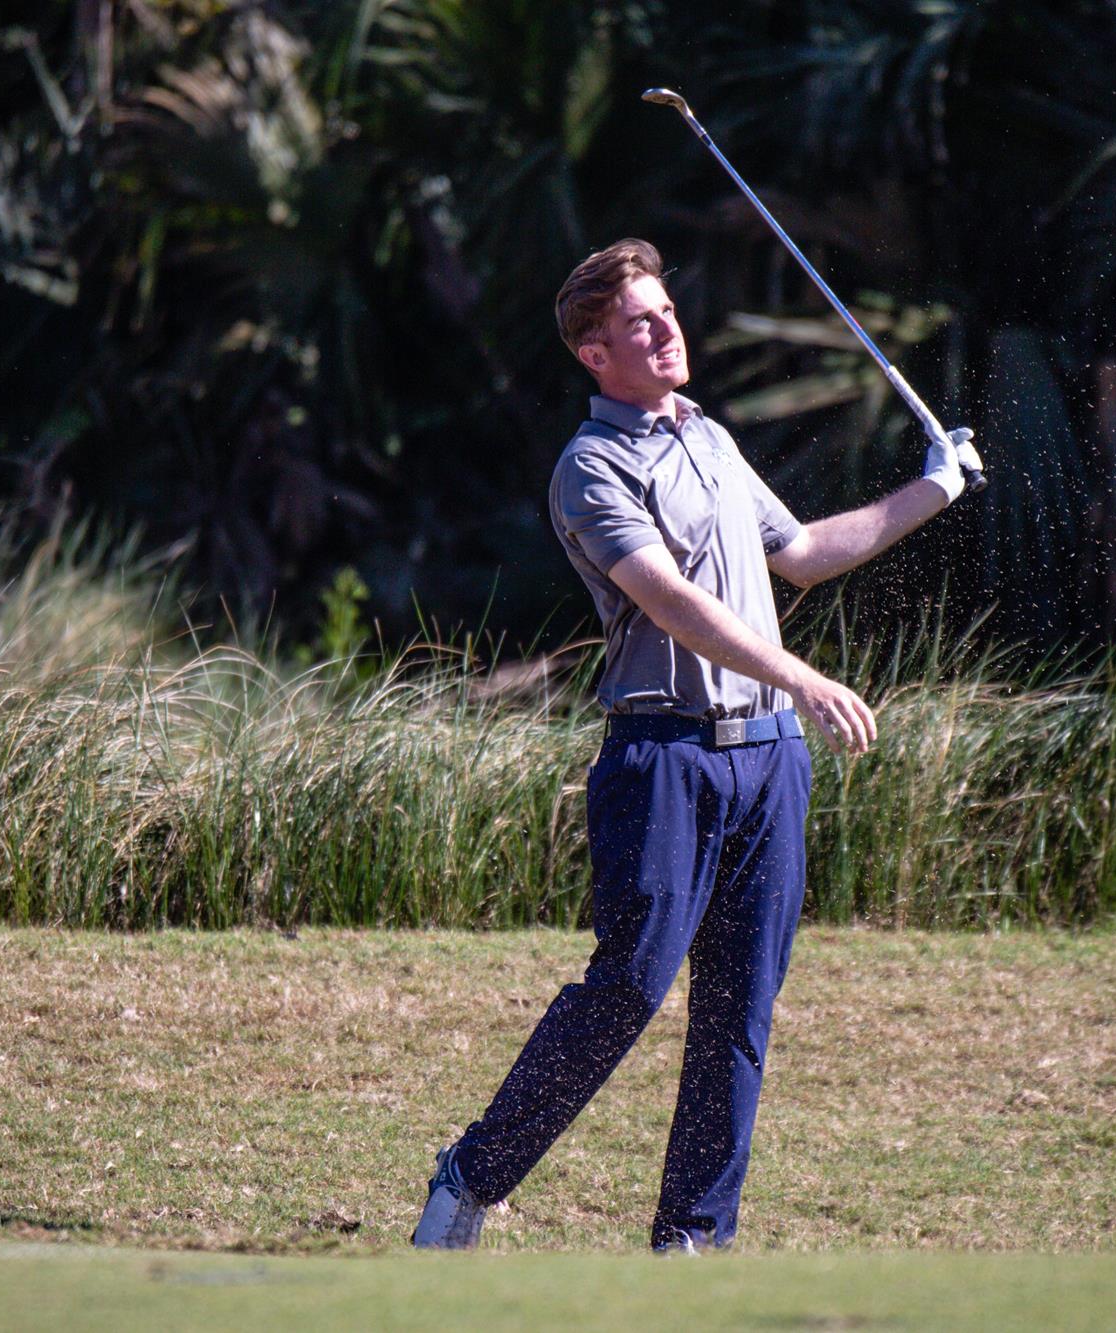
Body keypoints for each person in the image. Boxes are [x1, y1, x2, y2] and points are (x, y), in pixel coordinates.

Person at [411, 238, 984, 1252]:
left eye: (665, 310)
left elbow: (799, 553)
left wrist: (932, 487)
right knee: (627, 985)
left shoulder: (712, 441)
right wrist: (799, 674)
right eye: (639, 321)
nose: (666, 329)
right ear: (593, 353)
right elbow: (669, 604)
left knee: (739, 1006)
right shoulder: (587, 468)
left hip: (767, 759)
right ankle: (472, 1175)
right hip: (663, 756)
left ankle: (692, 1240)